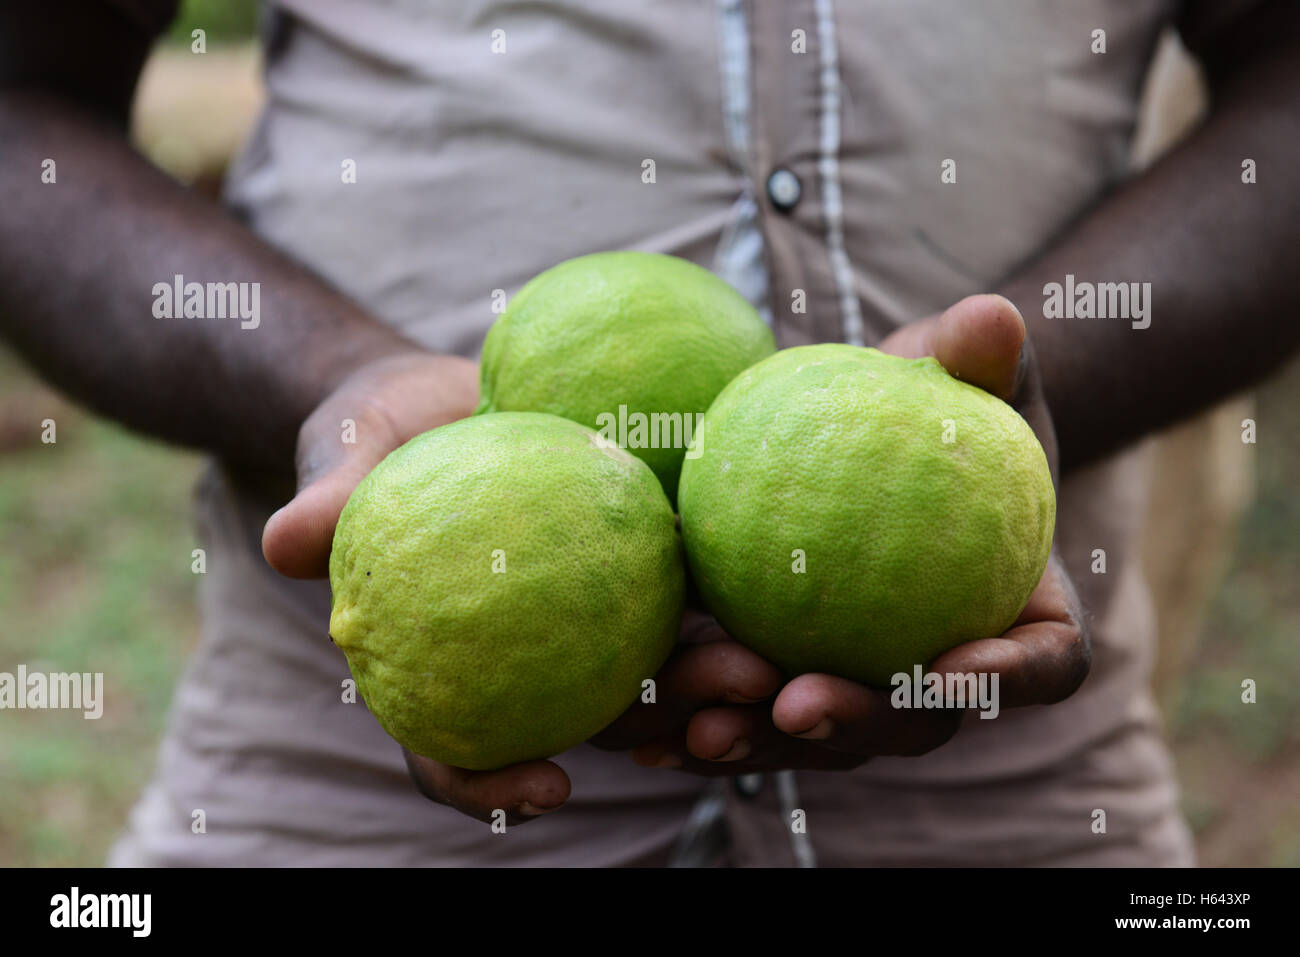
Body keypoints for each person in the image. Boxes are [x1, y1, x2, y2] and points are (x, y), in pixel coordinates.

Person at [2, 0, 1296, 867]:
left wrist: (1031, 390)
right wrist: (331, 371)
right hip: (325, 783)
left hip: (1018, 798)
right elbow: (23, 111)